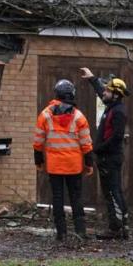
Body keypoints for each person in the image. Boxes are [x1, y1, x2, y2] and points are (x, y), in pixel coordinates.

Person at [33, 79, 94, 241]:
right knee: (76, 197)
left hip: (54, 167)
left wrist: (38, 161)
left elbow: (38, 141)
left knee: (57, 198)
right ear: (72, 94)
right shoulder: (79, 116)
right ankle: (81, 231)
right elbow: (86, 143)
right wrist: (89, 164)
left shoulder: (45, 114)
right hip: (73, 166)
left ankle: (61, 233)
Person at [80, 67, 131, 240]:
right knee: (113, 190)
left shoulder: (118, 112)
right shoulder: (112, 106)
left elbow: (116, 137)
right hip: (107, 157)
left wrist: (98, 148)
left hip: (110, 157)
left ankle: (116, 228)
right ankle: (121, 225)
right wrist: (92, 78)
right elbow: (101, 92)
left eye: (109, 90)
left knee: (112, 192)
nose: (105, 91)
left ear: (116, 95)